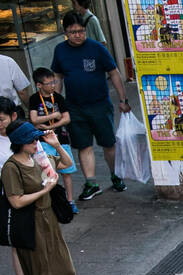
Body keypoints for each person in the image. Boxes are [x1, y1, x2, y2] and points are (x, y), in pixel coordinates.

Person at [3, 122, 77, 275]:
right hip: (29, 224)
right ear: (19, 143)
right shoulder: (11, 168)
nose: (36, 143)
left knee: (65, 268)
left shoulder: (39, 157)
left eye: (36, 139)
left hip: (49, 220)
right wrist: (45, 190)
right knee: (41, 271)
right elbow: (15, 201)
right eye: (32, 140)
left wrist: (55, 144)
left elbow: (66, 163)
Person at [49, 11, 131, 201]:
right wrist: (56, 104)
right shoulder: (60, 50)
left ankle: (115, 175)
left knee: (108, 143)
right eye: (73, 32)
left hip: (100, 104)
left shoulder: (96, 48)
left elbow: (114, 73)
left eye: (81, 31)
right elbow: (58, 77)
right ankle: (91, 183)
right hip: (75, 107)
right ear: (66, 32)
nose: (78, 35)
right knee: (83, 145)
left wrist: (123, 100)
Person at [0, 99, 34, 275]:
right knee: (17, 244)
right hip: (11, 198)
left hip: (36, 193)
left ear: (13, 116)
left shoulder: (25, 134)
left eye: (1, 119)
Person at [27, 68, 77, 212]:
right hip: (42, 141)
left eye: (54, 82)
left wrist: (51, 125)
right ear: (39, 85)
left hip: (61, 139)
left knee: (66, 172)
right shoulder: (34, 99)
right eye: (49, 83)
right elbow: (34, 119)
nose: (53, 85)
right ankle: (51, 201)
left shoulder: (59, 98)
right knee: (47, 172)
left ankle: (70, 200)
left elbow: (66, 118)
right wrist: (55, 115)